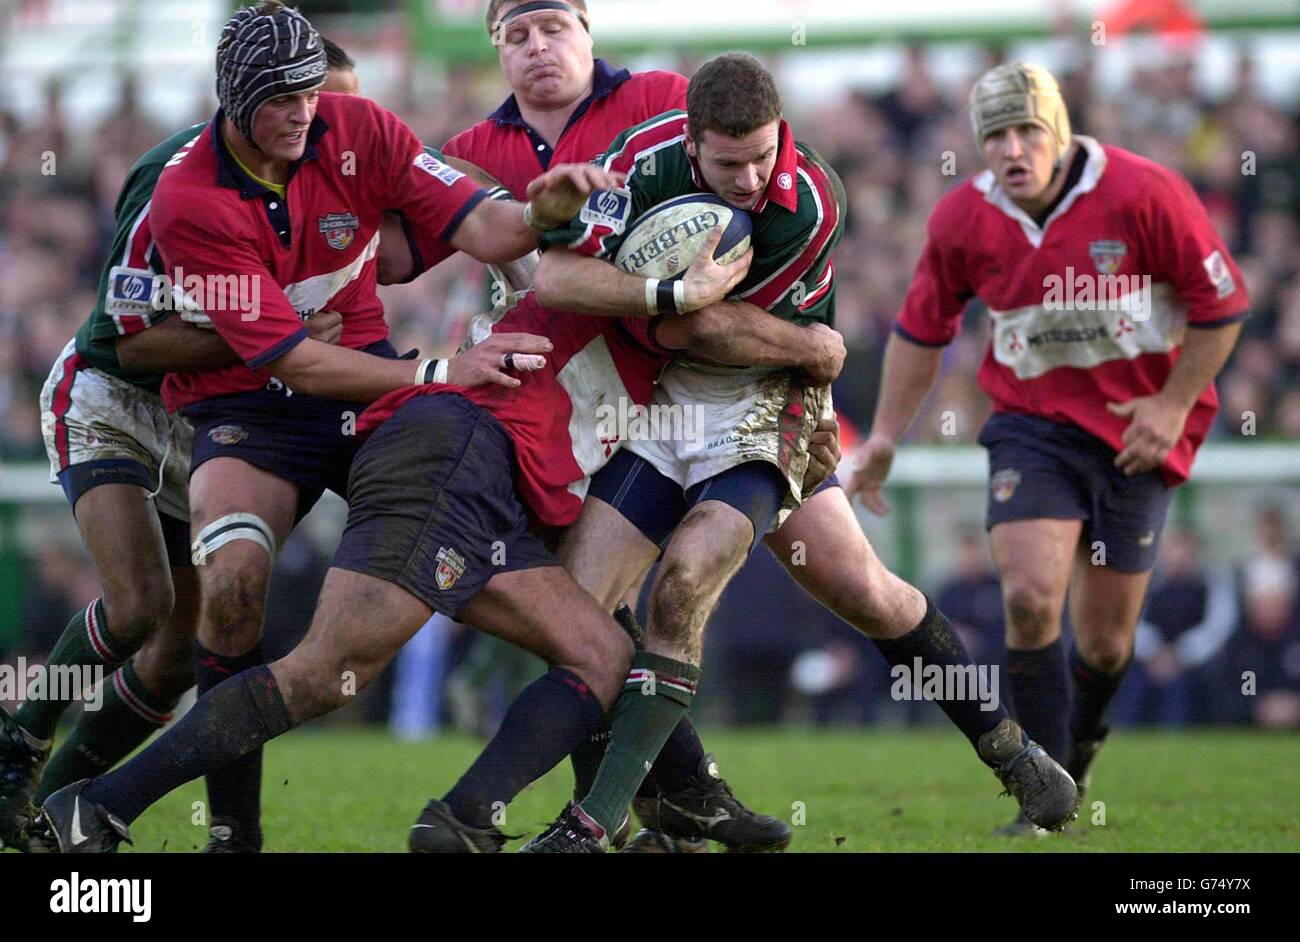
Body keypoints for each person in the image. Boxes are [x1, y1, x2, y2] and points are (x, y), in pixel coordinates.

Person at [1, 1, 619, 853]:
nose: (310, 114)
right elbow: (144, 344)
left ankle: (648, 789)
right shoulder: (176, 191)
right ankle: (49, 760)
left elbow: (476, 226)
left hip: (322, 389)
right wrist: (425, 367)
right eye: (285, 99)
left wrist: (544, 211)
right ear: (235, 101)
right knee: (179, 602)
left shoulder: (357, 128)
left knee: (192, 631)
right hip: (153, 393)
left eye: (316, 96)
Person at [31, 231, 849, 853]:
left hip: (480, 485)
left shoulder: (629, 293)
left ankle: (463, 823)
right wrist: (816, 346)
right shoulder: (655, 303)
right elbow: (707, 331)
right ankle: (98, 801)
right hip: (449, 459)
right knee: (324, 674)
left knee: (600, 651)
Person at [521, 53, 1078, 852]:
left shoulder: (810, 197)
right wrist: (808, 339)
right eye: (728, 162)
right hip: (663, 407)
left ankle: (1012, 751)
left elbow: (712, 330)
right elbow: (594, 287)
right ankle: (662, 810)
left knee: (740, 590)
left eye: (762, 154)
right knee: (573, 605)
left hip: (768, 408)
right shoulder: (640, 164)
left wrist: (803, 347)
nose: (750, 178)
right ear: (690, 141)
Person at [847, 62, 1249, 834]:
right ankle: (1042, 797)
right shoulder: (964, 218)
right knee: (1030, 599)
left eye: (1028, 129)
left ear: (1059, 133)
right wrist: (888, 438)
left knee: (1105, 640)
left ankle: (1076, 760)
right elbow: (921, 330)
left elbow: (1222, 303)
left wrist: (1169, 406)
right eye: (995, 134)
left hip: (1138, 429)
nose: (1012, 148)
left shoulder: (1145, 192)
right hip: (1033, 429)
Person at [1, 39, 358, 855]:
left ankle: (51, 813)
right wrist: (274, 338)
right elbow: (124, 346)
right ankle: (20, 739)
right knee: (140, 606)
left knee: (173, 664)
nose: (327, 125)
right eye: (308, 104)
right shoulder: (177, 180)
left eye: (340, 110)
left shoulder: (338, 179)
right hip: (113, 403)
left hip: (208, 424)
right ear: (245, 102)